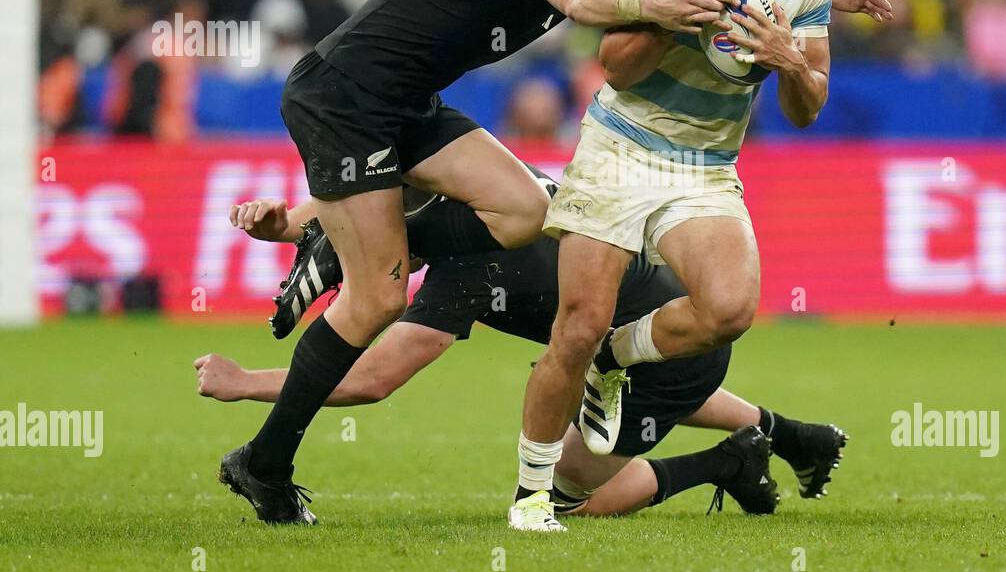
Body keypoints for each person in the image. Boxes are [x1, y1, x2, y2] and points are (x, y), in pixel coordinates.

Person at [217, 0, 741, 526]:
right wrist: (655, 4)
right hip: (345, 96)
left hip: (406, 104)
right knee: (379, 301)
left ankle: (336, 251)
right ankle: (265, 465)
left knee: (526, 211)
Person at [516, 0, 893, 531]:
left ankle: (617, 356)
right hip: (621, 149)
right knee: (574, 325)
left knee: (729, 310)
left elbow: (808, 110)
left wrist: (787, 61)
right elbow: (617, 68)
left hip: (706, 165)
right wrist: (678, 15)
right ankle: (532, 498)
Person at [213, 167, 848, 523]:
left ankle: (730, 463)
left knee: (575, 494)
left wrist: (245, 383)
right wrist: (293, 224)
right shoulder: (495, 195)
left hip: (669, 359)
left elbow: (370, 380)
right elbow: (382, 182)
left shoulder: (463, 275)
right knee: (608, 368)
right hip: (659, 329)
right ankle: (792, 437)